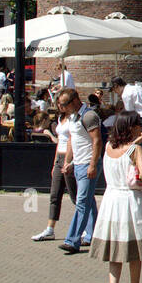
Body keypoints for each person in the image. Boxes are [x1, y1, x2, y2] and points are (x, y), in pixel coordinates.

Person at [88, 111, 142, 283]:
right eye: (137, 125)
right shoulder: (135, 150)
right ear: (132, 127)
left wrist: (137, 142)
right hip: (130, 201)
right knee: (134, 253)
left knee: (114, 253)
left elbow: (121, 155)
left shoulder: (109, 147)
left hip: (111, 200)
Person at [58, 88, 103, 253]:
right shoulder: (72, 117)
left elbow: (97, 141)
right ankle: (93, 234)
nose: (61, 108)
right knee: (88, 200)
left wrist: (92, 164)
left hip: (87, 163)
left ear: (74, 101)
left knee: (82, 201)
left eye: (63, 104)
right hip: (78, 164)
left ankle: (72, 240)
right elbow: (72, 139)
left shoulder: (89, 116)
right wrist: (69, 161)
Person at [33, 90, 79, 241]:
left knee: (75, 196)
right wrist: (55, 163)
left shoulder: (74, 118)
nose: (60, 106)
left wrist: (68, 160)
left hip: (69, 157)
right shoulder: (60, 119)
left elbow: (73, 139)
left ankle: (85, 227)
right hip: (60, 157)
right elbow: (60, 140)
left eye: (63, 103)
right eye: (58, 103)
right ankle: (50, 229)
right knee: (54, 194)